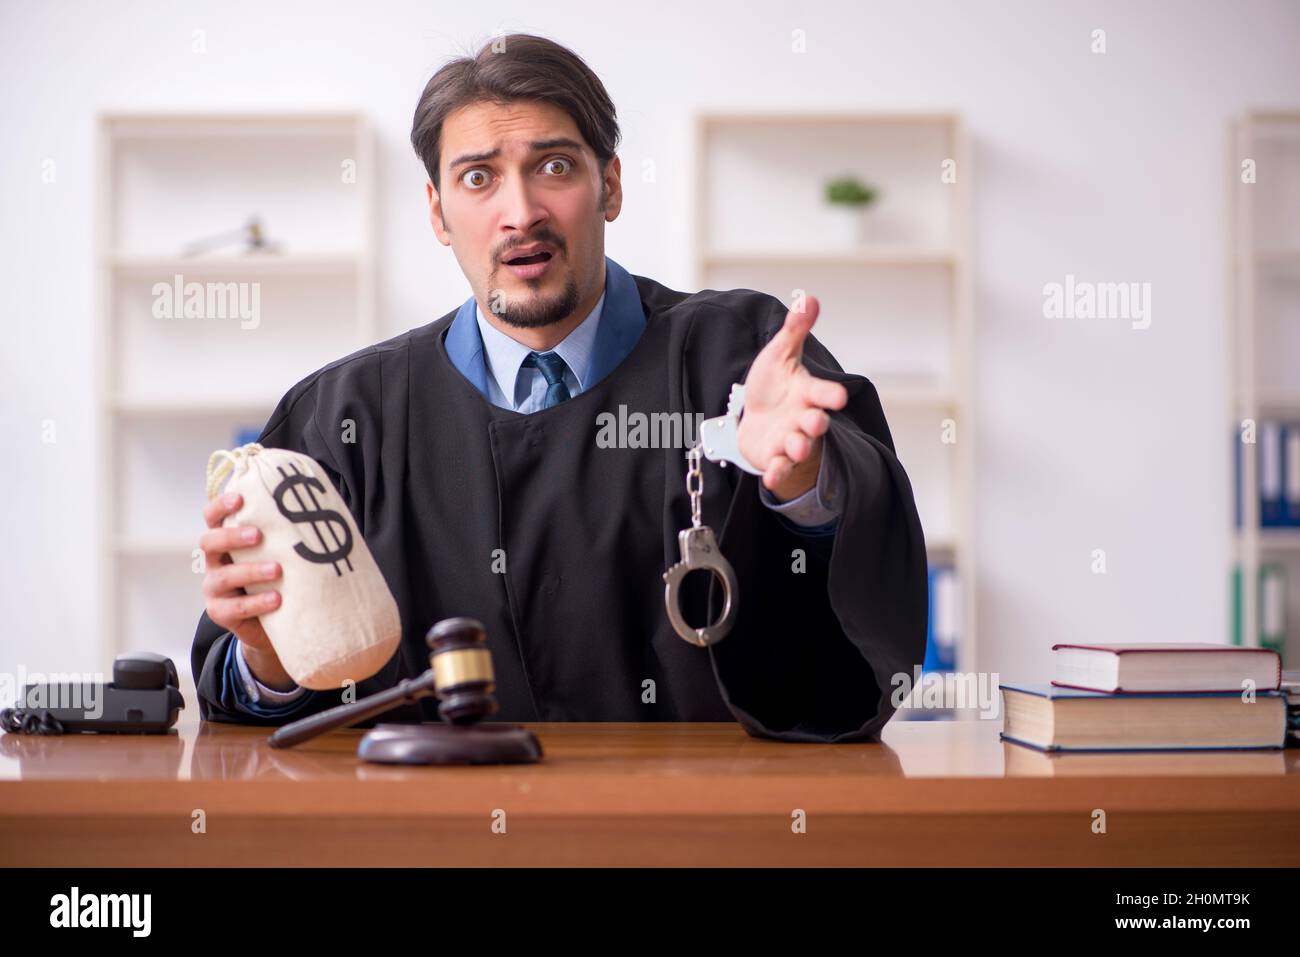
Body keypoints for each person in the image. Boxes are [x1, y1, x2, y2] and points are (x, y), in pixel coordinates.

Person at [190, 33, 927, 743]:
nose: (521, 212)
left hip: (699, 835)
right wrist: (266, 656)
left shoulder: (739, 360)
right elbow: (264, 718)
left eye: (554, 167)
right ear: (438, 212)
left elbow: (842, 652)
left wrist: (800, 485)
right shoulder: (344, 419)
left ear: (609, 184)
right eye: (478, 177)